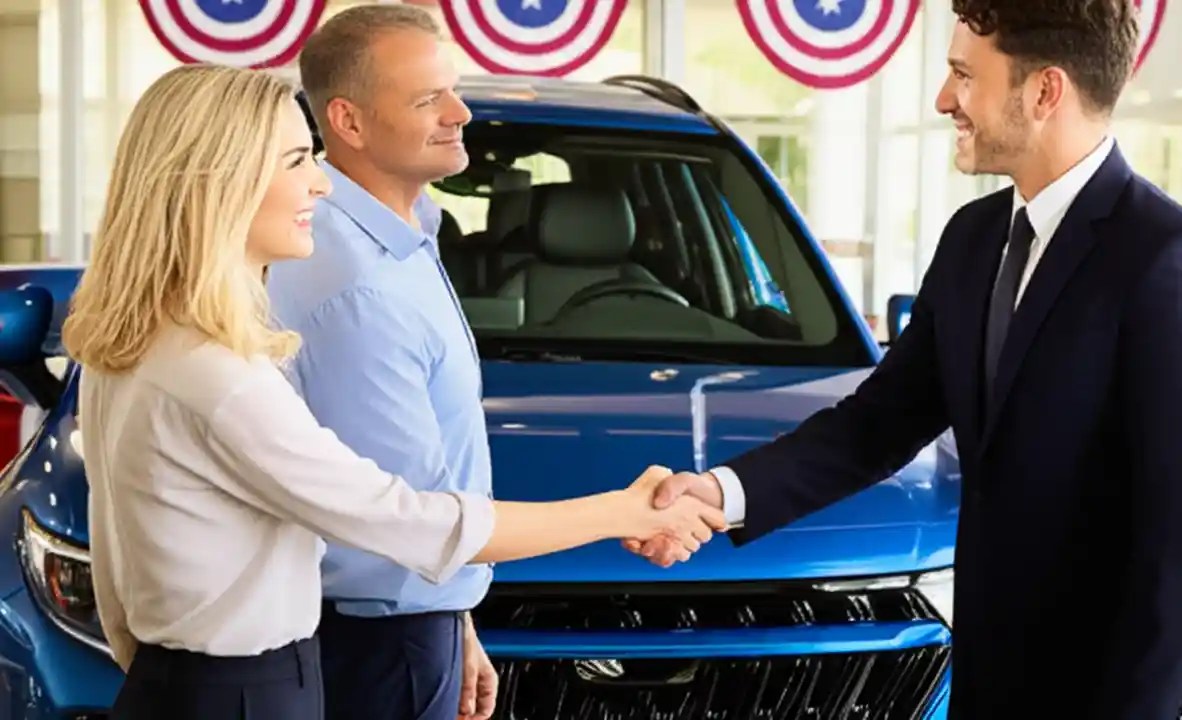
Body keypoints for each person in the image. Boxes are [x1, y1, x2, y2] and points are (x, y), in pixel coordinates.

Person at [628, 1, 1182, 718]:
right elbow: (876, 424)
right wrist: (723, 494)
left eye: (963, 75)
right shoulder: (973, 240)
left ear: (1045, 91)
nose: (944, 99)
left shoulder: (1172, 264)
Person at [63, 63, 724, 720]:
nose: (321, 183)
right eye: (296, 161)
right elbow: (407, 521)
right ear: (219, 184)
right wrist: (623, 512)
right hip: (243, 691)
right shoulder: (219, 376)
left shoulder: (134, 345)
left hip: (185, 684)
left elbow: (117, 581)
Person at [264, 6, 563, 720]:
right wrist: (623, 512)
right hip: (374, 642)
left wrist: (453, 619)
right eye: (429, 99)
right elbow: (407, 522)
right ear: (349, 121)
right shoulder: (353, 282)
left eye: (452, 90)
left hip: (408, 619)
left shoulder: (401, 234)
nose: (460, 112)